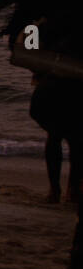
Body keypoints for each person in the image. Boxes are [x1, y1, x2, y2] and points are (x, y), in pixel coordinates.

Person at [29, 74, 83, 205]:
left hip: (53, 84)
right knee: (75, 140)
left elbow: (31, 52)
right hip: (68, 84)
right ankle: (71, 190)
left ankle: (57, 191)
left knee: (57, 136)